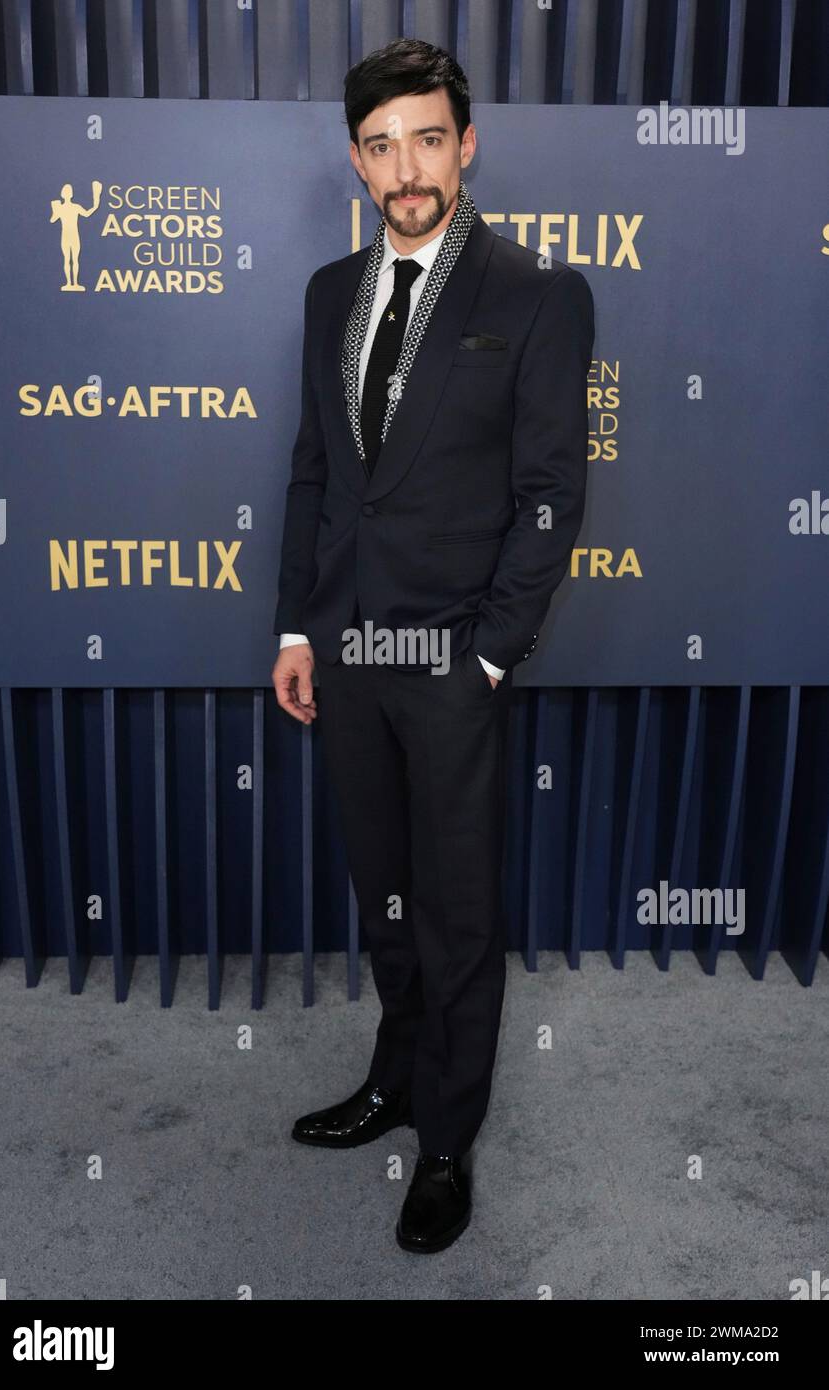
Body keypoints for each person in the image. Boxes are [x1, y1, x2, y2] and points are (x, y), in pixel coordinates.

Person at [271, 37, 594, 1254]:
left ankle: (449, 1139)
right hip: (346, 659)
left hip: (454, 666)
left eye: (424, 136)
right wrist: (297, 625)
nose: (402, 166)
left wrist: (491, 657)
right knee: (386, 895)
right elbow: (316, 473)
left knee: (458, 911)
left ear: (465, 142)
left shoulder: (534, 294)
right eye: (377, 143)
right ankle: (396, 1077)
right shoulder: (324, 294)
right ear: (353, 159)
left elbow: (550, 495)